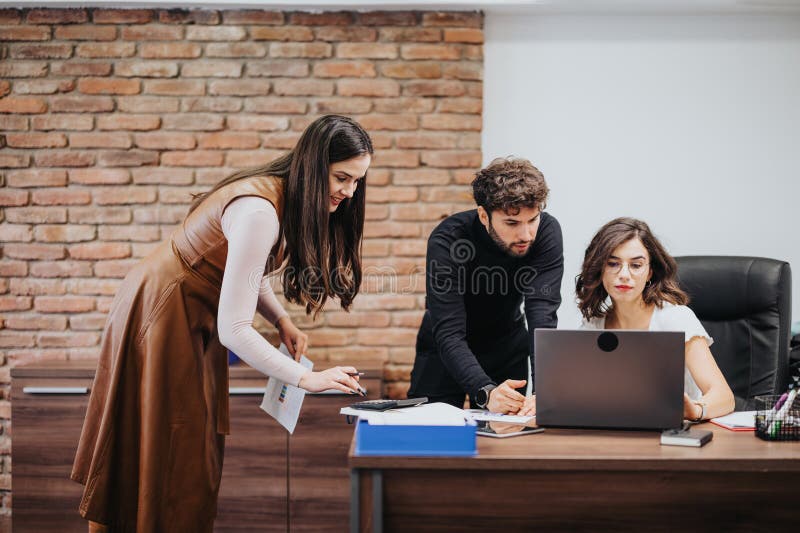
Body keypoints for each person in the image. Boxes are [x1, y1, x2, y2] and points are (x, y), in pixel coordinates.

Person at [70, 115, 373, 532]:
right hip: (162, 315)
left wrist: (281, 319)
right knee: (165, 452)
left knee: (185, 453)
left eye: (357, 181)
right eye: (342, 177)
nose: (349, 192)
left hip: (184, 316)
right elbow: (235, 329)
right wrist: (309, 380)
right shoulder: (260, 212)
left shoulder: (279, 198)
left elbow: (241, 273)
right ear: (312, 164)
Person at [407, 157, 564, 414]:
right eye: (512, 223)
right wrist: (485, 390)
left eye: (532, 220)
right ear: (483, 215)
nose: (526, 235)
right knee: (431, 440)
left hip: (506, 346)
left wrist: (544, 390)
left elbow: (542, 315)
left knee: (506, 443)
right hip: (445, 348)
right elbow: (449, 331)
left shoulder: (546, 232)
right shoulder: (449, 239)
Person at [542, 217, 734, 421]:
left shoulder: (676, 319)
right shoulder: (594, 326)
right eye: (613, 263)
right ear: (600, 269)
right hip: (616, 432)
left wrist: (696, 410)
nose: (624, 275)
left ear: (650, 272)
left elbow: (724, 397)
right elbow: (572, 391)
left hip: (672, 437)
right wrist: (541, 400)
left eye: (636, 265)